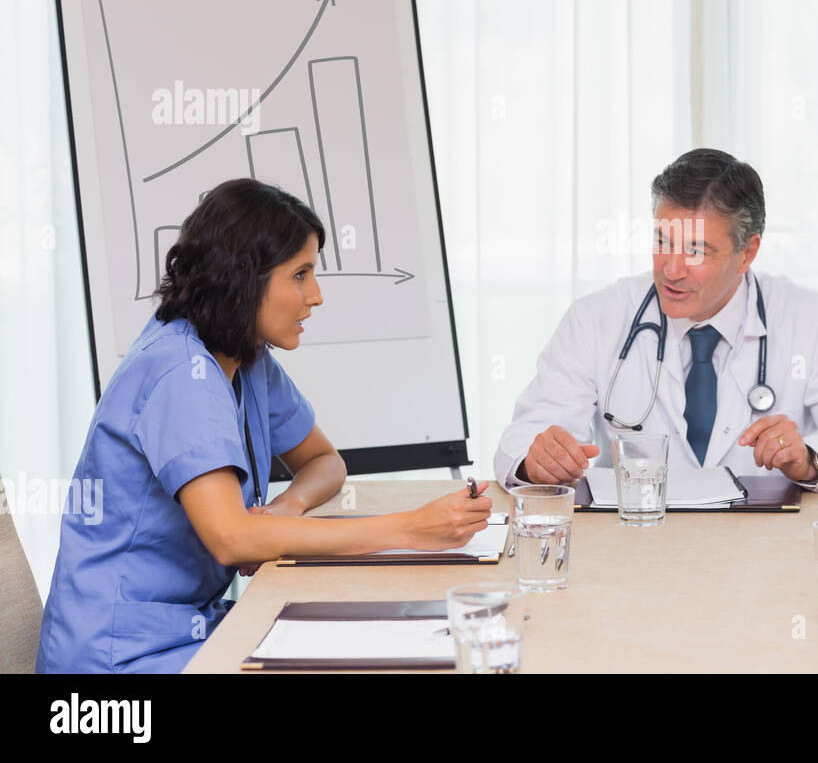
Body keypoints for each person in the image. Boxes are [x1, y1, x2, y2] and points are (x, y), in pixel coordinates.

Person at [37, 179, 492, 673]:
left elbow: (324, 461)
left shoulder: (244, 358)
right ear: (243, 278)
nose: (315, 296)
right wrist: (409, 529)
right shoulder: (178, 372)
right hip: (120, 658)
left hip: (194, 629)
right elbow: (232, 538)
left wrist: (287, 507)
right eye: (300, 275)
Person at [494, 148, 818, 489]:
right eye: (662, 242)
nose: (671, 270)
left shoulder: (813, 320)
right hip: (636, 549)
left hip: (765, 552)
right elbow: (523, 437)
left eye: (697, 252)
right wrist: (538, 460)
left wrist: (809, 457)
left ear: (747, 252)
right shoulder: (594, 319)